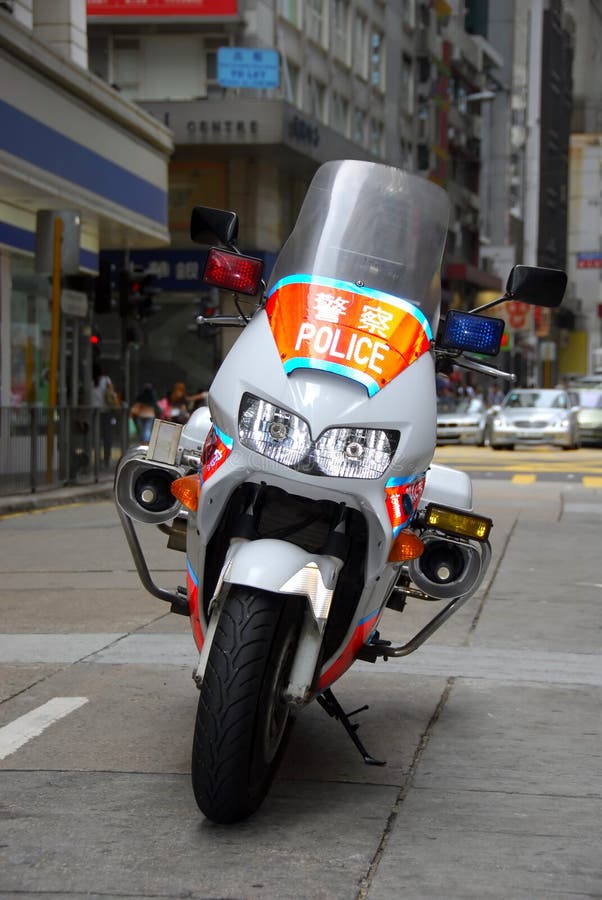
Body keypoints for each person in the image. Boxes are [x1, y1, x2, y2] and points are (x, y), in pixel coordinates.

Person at [91, 364, 117, 468]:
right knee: (107, 437)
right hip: (106, 412)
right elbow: (112, 394)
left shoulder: (89, 381)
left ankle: (97, 459)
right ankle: (106, 458)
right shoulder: (106, 380)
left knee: (96, 437)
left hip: (93, 413)